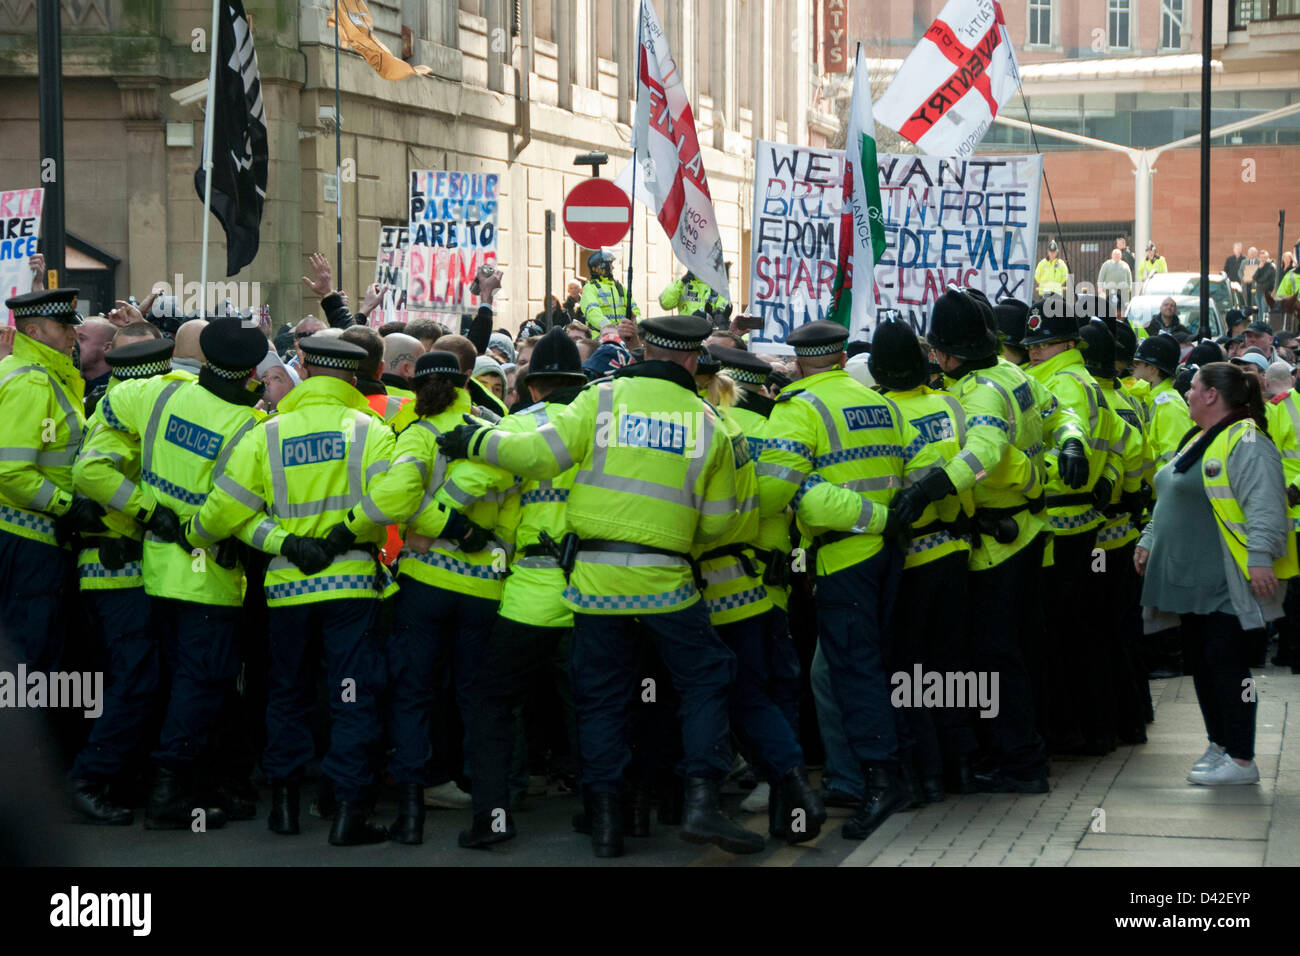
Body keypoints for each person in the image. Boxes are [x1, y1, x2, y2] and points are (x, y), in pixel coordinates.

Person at [438, 314, 766, 859]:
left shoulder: (593, 405)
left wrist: (474, 444)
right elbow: (719, 523)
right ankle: (677, 803)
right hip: (658, 582)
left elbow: (511, 469)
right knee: (675, 688)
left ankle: (564, 818)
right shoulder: (709, 421)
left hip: (569, 589)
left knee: (567, 701)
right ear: (692, 359)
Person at [177, 335, 396, 845]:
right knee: (350, 695)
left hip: (287, 591)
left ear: (306, 369)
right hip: (351, 587)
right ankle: (347, 813)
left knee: (286, 694)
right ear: (351, 376)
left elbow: (227, 513)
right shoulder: (372, 430)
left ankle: (283, 806)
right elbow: (393, 500)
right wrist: (341, 533)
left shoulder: (268, 432)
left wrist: (283, 543)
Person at [755, 319, 943, 839]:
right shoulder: (880, 403)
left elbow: (775, 494)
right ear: (841, 358)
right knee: (875, 664)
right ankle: (889, 773)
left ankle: (881, 783)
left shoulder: (797, 409)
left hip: (844, 556)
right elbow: (914, 472)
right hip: (890, 552)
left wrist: (793, 485)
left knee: (854, 672)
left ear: (798, 361)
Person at [331, 350, 514, 833]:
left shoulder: (416, 433)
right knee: (477, 695)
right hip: (482, 586)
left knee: (414, 692)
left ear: (419, 389)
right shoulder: (493, 431)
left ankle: (412, 807)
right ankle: (485, 798)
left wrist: (428, 524)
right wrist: (468, 531)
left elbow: (395, 498)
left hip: (424, 581)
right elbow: (512, 492)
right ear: (464, 385)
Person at [457, 327, 588, 849]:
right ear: (581, 382)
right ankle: (608, 812)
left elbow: (477, 493)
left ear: (532, 386)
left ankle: (494, 815)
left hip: (532, 590)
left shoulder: (516, 430)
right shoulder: (605, 427)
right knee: (597, 699)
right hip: (600, 586)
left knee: (494, 702)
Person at [1135, 362, 1295, 785]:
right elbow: (1168, 493)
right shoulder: (1197, 437)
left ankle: (1242, 759)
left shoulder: (1247, 442)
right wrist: (1149, 538)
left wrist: (1260, 557)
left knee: (1227, 665)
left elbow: (1266, 505)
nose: (1186, 393)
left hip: (1227, 580)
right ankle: (1220, 743)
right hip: (1192, 583)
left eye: (1193, 387)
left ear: (1211, 395)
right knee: (1203, 664)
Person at [67, 336, 190, 825]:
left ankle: (120, 777)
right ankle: (90, 778)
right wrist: (147, 512)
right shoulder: (125, 414)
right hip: (115, 568)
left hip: (117, 566)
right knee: (135, 679)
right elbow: (92, 474)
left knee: (137, 677)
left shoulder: (117, 406)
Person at [1022, 299, 1126, 755]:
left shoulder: (1060, 383)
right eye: (1032, 344)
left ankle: (1068, 732)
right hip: (1084, 523)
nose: (1034, 352)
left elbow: (1065, 448)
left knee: (1059, 637)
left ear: (1069, 343)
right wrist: (1108, 479)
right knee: (1084, 631)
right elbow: (1129, 442)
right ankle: (1096, 728)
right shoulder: (1087, 381)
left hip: (1057, 526)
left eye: (1044, 343)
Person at [0, 289, 95, 673]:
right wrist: (68, 505)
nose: (73, 334)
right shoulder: (32, 382)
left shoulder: (32, 373)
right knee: (30, 659)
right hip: (30, 543)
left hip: (29, 540)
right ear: (35, 331)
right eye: (63, 327)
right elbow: (9, 470)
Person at [578, 251, 640, 331]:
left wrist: (636, 324)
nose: (613, 267)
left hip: (623, 337)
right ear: (602, 267)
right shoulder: (590, 288)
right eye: (610, 264)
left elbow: (634, 310)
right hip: (600, 337)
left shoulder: (619, 286)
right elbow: (593, 313)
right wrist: (611, 329)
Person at [659, 270, 731, 322]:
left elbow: (722, 315)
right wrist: (681, 283)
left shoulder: (718, 287)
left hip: (708, 334)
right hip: (685, 331)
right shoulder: (683, 283)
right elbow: (666, 304)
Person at [75, 317, 118, 395]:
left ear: (107, 347)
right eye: (74, 338)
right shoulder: (67, 381)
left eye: (81, 339)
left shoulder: (118, 389)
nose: (73, 344)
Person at [1254, 252, 1277, 319]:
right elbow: (1254, 277)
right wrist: (1259, 268)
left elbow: (1264, 278)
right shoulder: (1260, 266)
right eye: (1261, 257)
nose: (1263, 259)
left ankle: (1265, 325)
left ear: (1267, 258)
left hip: (1267, 292)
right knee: (1260, 311)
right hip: (1258, 291)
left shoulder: (1271, 267)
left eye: (1264, 257)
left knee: (1265, 310)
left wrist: (1258, 280)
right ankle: (1260, 325)